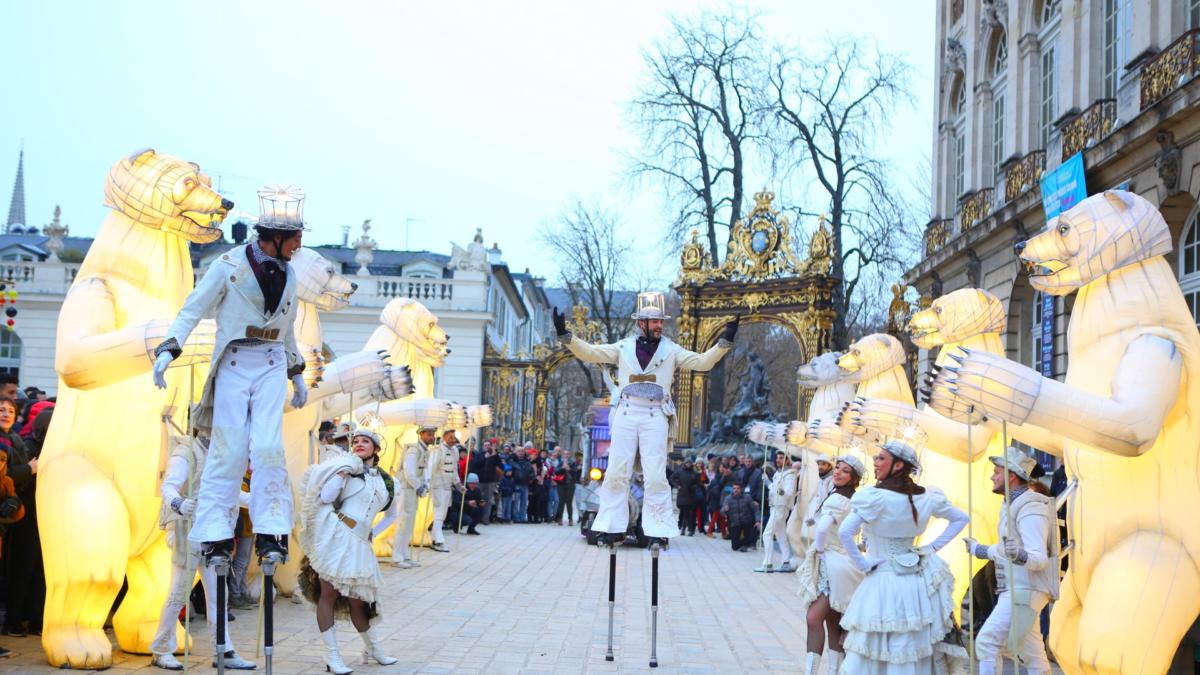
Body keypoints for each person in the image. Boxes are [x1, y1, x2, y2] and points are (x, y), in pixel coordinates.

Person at [152, 186, 307, 564]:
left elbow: (286, 330)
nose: (299, 247)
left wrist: (296, 371)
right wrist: (169, 349)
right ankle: (215, 533)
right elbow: (192, 308)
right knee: (229, 450)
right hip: (235, 362)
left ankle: (272, 531)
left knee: (269, 448)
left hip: (271, 363)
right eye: (296, 239)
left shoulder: (291, 276)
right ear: (275, 238)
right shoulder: (228, 266)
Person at [554, 291, 736, 544]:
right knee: (617, 472)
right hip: (626, 412)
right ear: (641, 323)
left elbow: (702, 362)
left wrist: (725, 341)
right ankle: (611, 528)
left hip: (655, 415)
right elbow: (592, 353)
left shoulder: (671, 350)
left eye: (661, 321)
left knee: (655, 475)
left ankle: (657, 531)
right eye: (655, 322)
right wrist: (567, 336)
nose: (660, 325)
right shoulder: (623, 347)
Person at [837, 440, 970, 675]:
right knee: (911, 645)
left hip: (882, 582)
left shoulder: (875, 497)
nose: (875, 463)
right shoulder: (927, 497)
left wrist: (863, 563)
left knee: (877, 647)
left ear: (898, 465)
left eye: (881, 458)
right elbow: (960, 519)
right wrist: (930, 548)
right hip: (915, 584)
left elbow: (845, 532)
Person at [149, 436, 255, 670]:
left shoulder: (222, 452)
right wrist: (178, 502)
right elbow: (169, 485)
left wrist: (258, 501)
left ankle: (223, 650)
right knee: (178, 592)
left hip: (215, 533)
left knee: (219, 594)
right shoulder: (188, 450)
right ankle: (161, 648)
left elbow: (229, 493)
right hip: (188, 531)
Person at [298, 428, 397, 674]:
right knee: (328, 594)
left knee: (360, 600)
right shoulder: (345, 469)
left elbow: (392, 514)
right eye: (356, 441)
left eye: (366, 441)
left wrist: (373, 531)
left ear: (376, 449)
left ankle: (373, 648)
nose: (359, 444)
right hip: (337, 536)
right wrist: (341, 472)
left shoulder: (386, 481)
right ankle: (332, 656)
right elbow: (326, 496)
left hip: (361, 542)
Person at [964, 447, 1058, 675]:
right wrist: (980, 549)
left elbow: (1038, 558)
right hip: (1018, 590)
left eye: (997, 471)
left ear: (1011, 476)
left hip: (1024, 590)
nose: (992, 476)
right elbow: (1008, 550)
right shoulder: (1012, 505)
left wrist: (1020, 554)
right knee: (1032, 653)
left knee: (987, 643)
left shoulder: (1030, 506)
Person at [796, 456, 866, 675]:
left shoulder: (838, 499)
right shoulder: (849, 498)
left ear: (853, 479)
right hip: (844, 563)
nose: (838, 472)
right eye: (838, 468)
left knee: (813, 618)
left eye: (845, 471)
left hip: (832, 564)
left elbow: (824, 526)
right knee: (833, 621)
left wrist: (818, 547)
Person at [1, 396, 41, 639]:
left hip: (14, 512)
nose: (6, 414)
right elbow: (9, 474)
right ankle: (13, 621)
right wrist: (29, 469)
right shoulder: (12, 441)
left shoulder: (14, 440)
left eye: (10, 410)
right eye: (1, 409)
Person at [380, 425, 433, 568]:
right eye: (429, 434)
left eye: (432, 434)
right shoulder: (414, 450)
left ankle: (404, 555)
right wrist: (419, 486)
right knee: (403, 522)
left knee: (409, 523)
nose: (432, 437)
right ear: (421, 434)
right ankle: (397, 558)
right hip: (405, 489)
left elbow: (424, 471)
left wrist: (425, 484)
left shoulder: (424, 450)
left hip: (412, 490)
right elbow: (409, 472)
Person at [756, 456, 800, 573]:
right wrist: (768, 482)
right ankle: (786, 561)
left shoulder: (790, 474)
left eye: (781, 458)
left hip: (780, 507)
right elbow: (774, 489)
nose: (778, 460)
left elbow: (789, 492)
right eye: (777, 458)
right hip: (774, 506)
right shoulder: (778, 473)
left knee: (767, 534)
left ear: (787, 460)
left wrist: (780, 490)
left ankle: (767, 563)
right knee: (781, 535)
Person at [428, 428, 465, 552]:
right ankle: (439, 540)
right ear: (444, 438)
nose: (453, 440)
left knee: (442, 514)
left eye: (454, 438)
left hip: (447, 487)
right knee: (438, 513)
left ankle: (434, 539)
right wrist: (428, 484)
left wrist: (459, 485)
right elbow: (430, 468)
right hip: (437, 486)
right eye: (450, 438)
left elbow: (454, 470)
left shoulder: (455, 450)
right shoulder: (437, 450)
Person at [721, 481, 759, 552]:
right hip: (734, 522)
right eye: (734, 488)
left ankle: (746, 544)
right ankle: (743, 543)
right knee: (734, 547)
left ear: (741, 489)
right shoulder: (728, 499)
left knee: (749, 526)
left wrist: (757, 521)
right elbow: (721, 512)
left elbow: (755, 509)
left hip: (746, 521)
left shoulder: (747, 497)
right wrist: (725, 510)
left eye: (738, 488)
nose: (736, 490)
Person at [672, 459, 702, 536]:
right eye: (687, 463)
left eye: (690, 463)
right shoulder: (679, 471)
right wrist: (677, 485)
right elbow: (672, 479)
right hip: (682, 494)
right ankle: (684, 528)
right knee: (684, 512)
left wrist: (694, 487)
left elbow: (698, 483)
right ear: (685, 464)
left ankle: (688, 529)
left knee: (690, 513)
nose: (688, 464)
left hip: (691, 495)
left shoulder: (694, 473)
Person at [706, 463, 730, 537]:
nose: (722, 469)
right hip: (717, 500)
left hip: (719, 499)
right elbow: (718, 487)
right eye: (721, 467)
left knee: (721, 517)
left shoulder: (723, 476)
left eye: (724, 467)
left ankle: (723, 533)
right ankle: (709, 531)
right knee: (715, 516)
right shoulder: (718, 477)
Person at [511, 449, 533, 523]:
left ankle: (522, 517)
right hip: (516, 483)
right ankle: (516, 518)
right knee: (516, 502)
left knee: (524, 502)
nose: (520, 453)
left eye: (522, 451)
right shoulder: (513, 461)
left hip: (525, 484)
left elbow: (531, 472)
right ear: (516, 453)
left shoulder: (527, 462)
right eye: (519, 451)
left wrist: (531, 478)